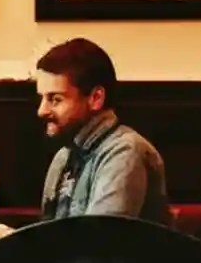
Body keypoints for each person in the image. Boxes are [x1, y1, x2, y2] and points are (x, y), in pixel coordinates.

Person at [35, 38, 172, 225]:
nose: (41, 110)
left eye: (55, 99)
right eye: (42, 98)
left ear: (96, 98)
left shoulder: (125, 153)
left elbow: (100, 244)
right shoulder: (63, 157)